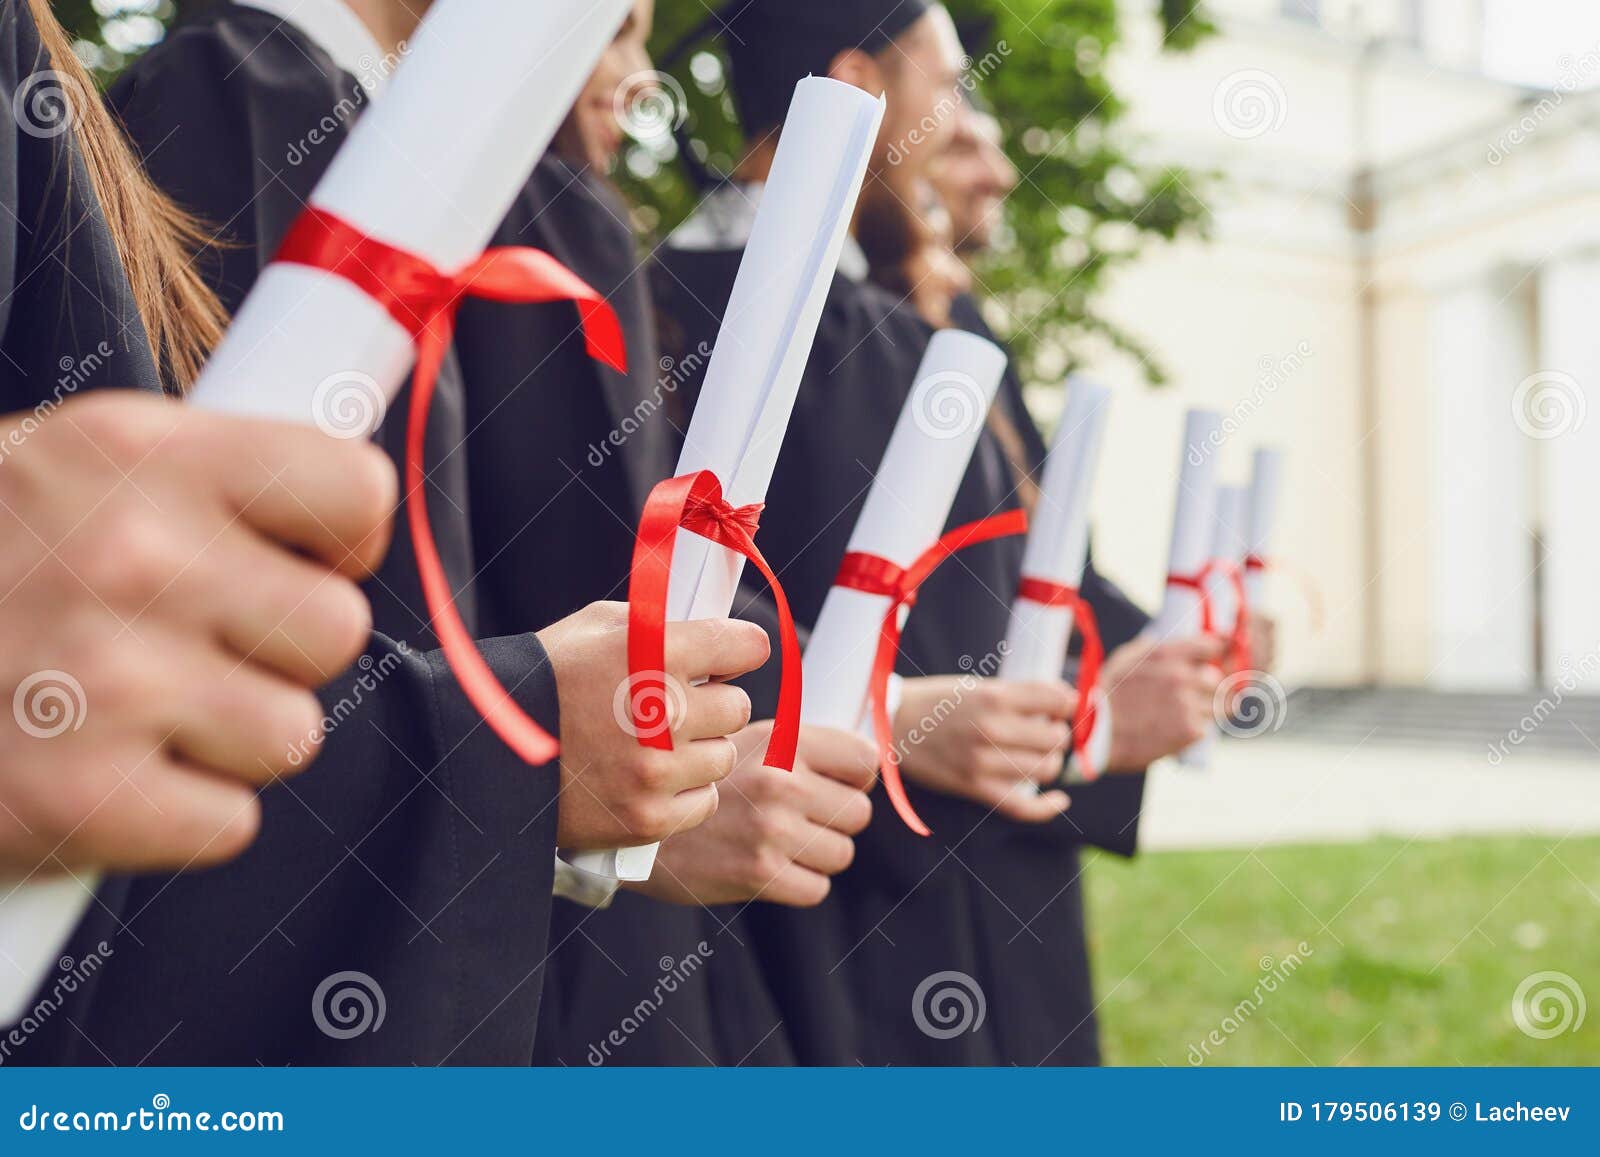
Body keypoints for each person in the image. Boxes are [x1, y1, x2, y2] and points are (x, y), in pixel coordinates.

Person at [9, 0, 767, 1065]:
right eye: (618, 26)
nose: (633, 74)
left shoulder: (386, 140)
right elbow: (213, 665)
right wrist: (519, 749)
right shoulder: (246, 96)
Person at [649, 0, 1216, 1065]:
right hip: (828, 930)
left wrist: (1130, 689)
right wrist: (889, 710)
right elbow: (646, 613)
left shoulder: (920, 327)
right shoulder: (676, 311)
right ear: (861, 88)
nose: (966, 128)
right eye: (947, 85)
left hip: (998, 891)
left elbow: (1017, 585)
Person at [442, 0, 880, 1066]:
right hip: (542, 956)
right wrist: (593, 809)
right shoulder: (527, 223)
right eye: (614, 30)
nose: (640, 80)